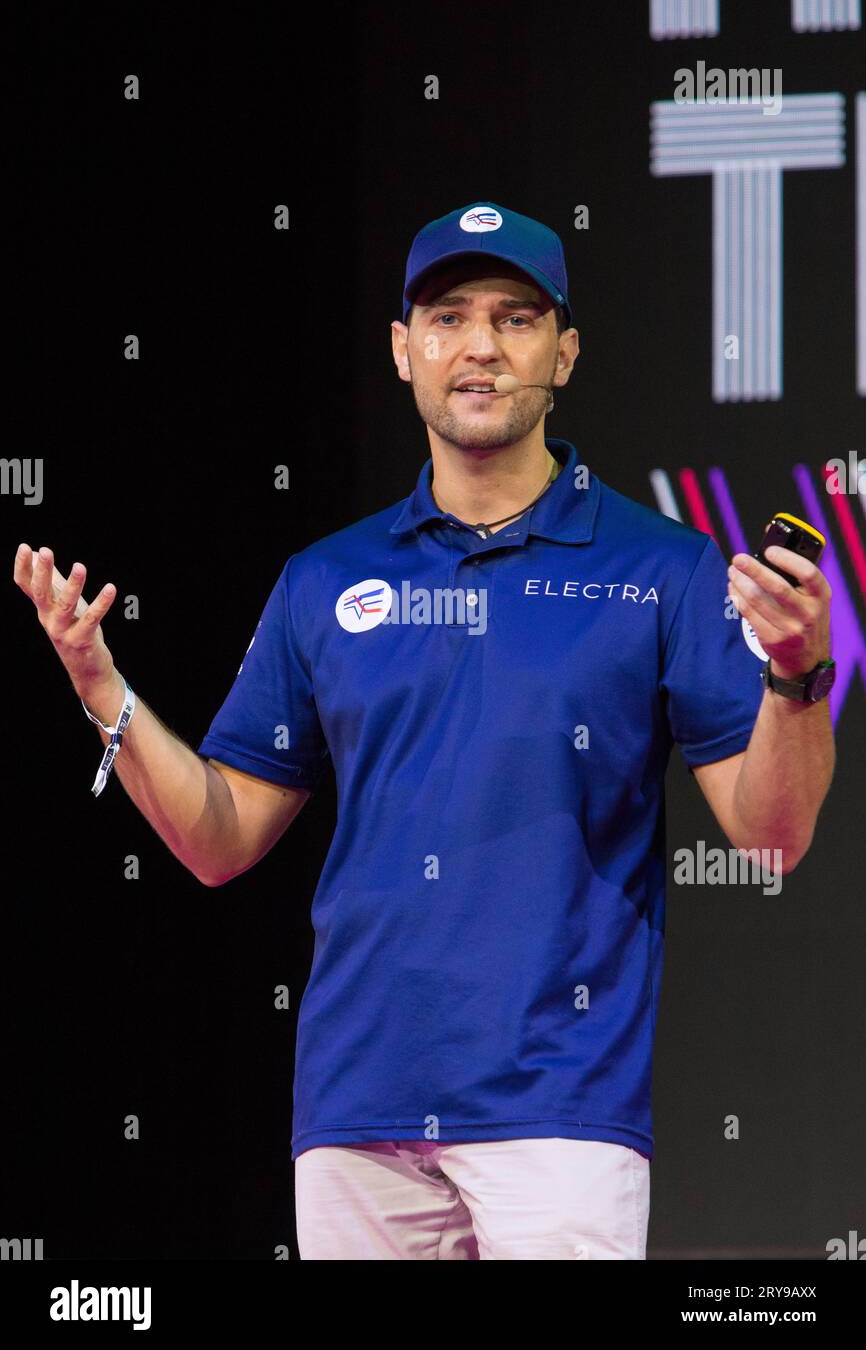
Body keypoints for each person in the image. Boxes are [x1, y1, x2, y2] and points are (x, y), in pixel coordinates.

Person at [15, 200, 835, 1260]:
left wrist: (794, 675)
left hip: (559, 1115)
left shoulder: (662, 571)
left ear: (565, 351)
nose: (480, 345)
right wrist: (100, 685)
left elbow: (771, 837)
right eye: (446, 317)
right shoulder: (323, 581)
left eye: (515, 316)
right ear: (403, 351)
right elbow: (218, 841)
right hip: (354, 1113)